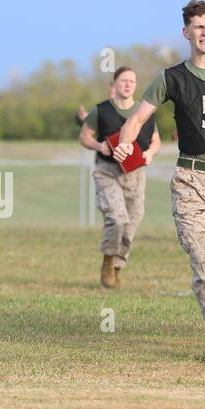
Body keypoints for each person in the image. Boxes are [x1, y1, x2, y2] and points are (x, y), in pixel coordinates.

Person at [112, 0, 205, 365]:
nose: (204, 33)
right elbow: (137, 117)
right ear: (186, 33)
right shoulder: (172, 78)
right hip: (191, 179)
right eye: (198, 27)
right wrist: (125, 142)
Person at [80, 67, 161, 288]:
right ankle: (107, 260)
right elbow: (84, 137)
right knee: (117, 218)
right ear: (114, 84)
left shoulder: (144, 112)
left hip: (136, 174)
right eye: (123, 81)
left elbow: (156, 140)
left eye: (132, 81)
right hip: (107, 171)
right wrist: (100, 146)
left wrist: (150, 153)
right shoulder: (101, 110)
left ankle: (117, 265)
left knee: (131, 224)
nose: (127, 85)